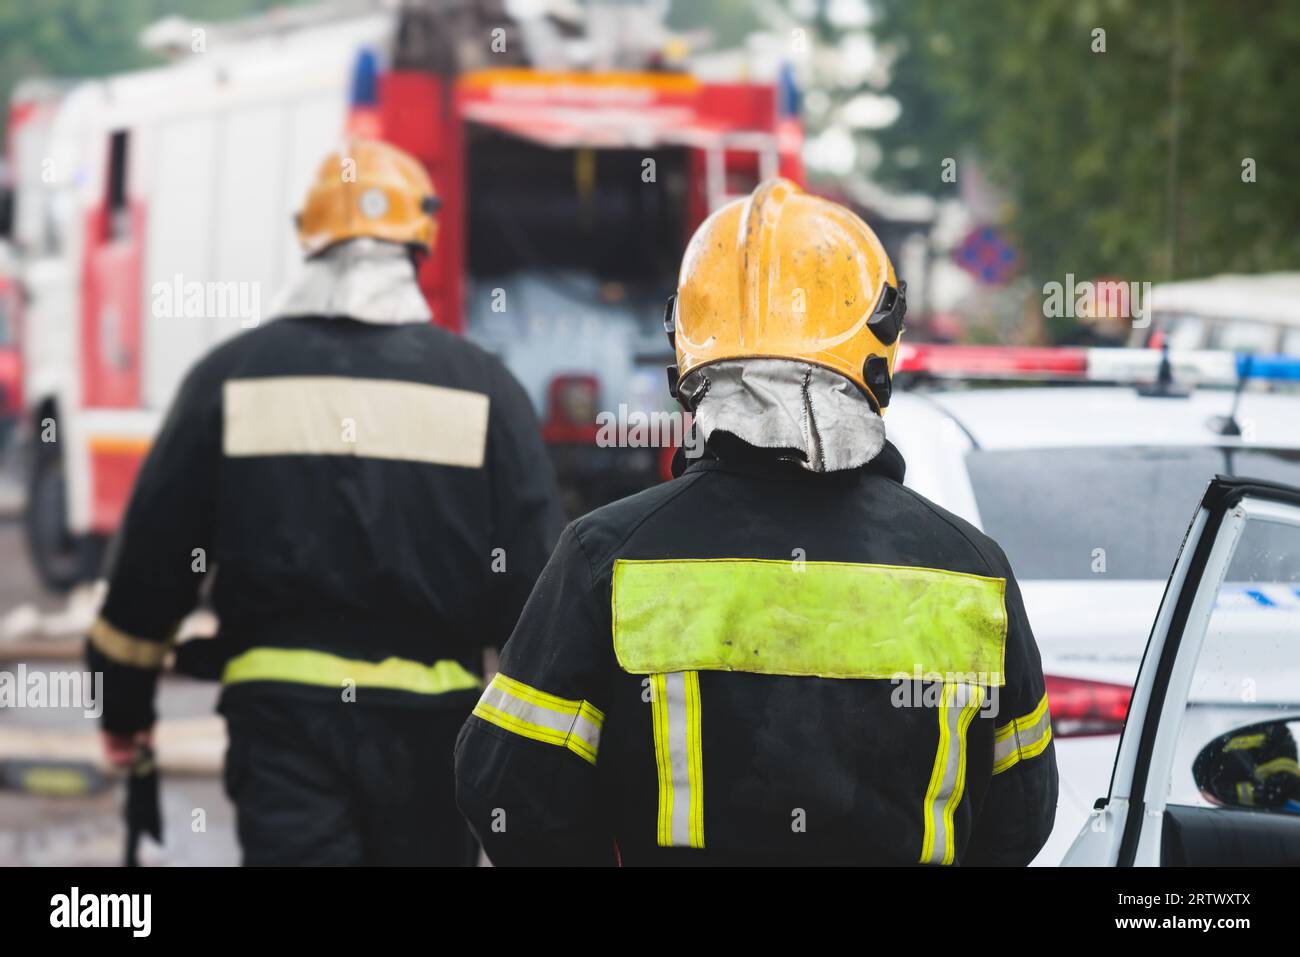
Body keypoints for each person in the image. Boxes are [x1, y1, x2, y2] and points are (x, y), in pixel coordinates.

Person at [455, 178, 1057, 865]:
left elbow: (504, 790)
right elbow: (1023, 814)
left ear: (688, 349)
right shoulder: (971, 570)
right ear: (879, 342)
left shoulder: (605, 558)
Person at [86, 139, 563, 865]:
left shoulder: (230, 376)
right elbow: (536, 592)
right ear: (419, 243)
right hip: (435, 735)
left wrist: (124, 707)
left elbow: (152, 561)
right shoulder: (485, 387)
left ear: (310, 237)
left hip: (281, 725)